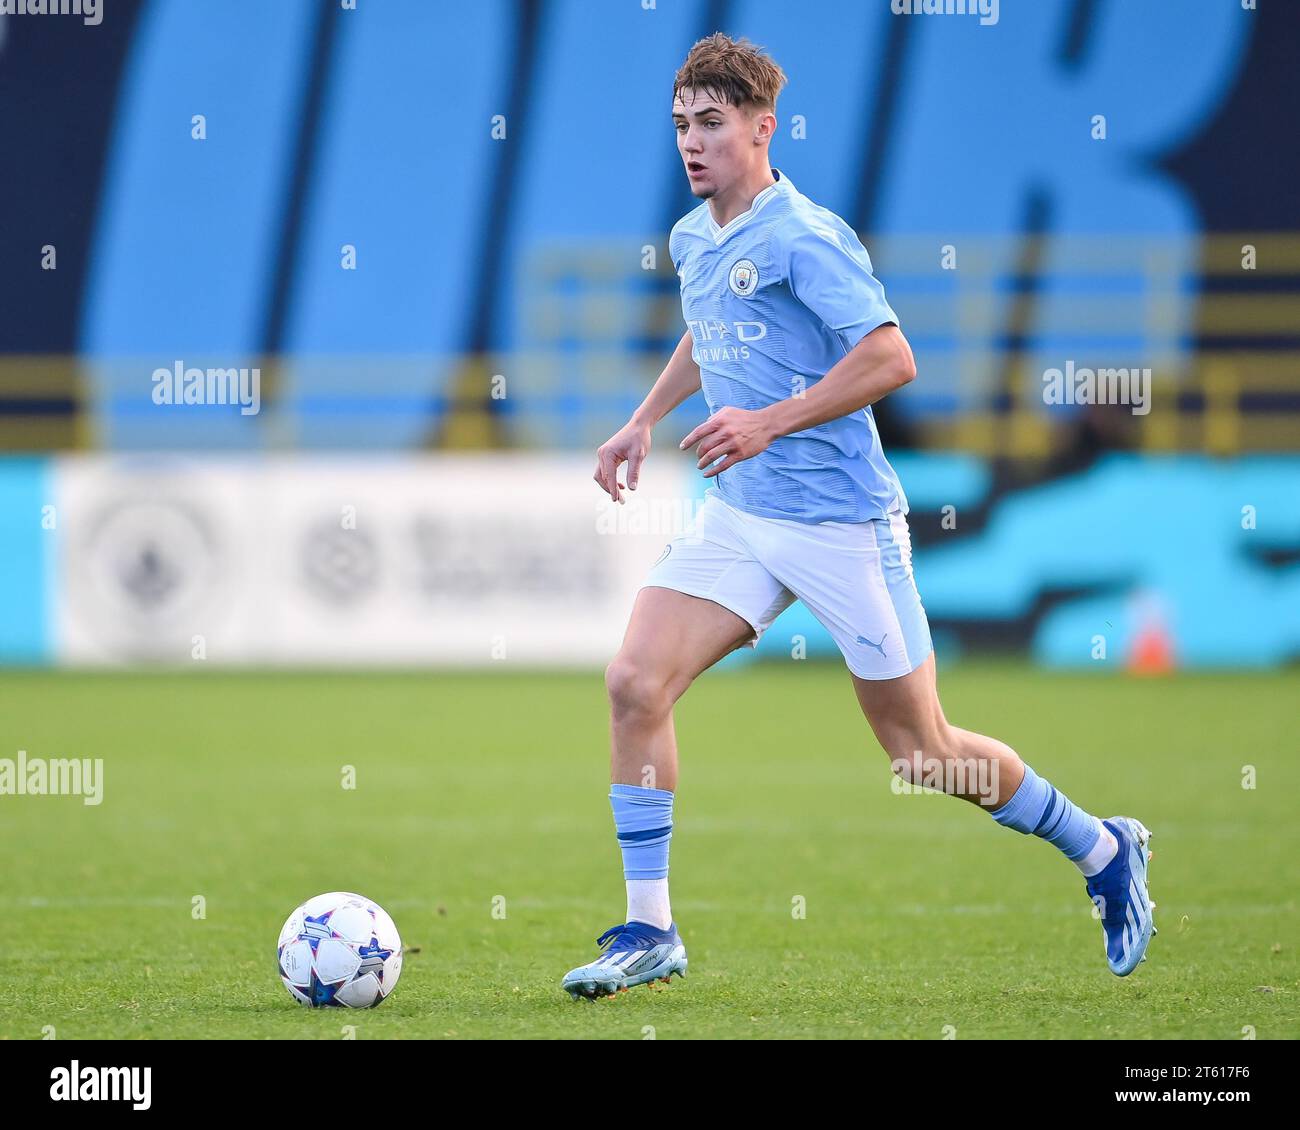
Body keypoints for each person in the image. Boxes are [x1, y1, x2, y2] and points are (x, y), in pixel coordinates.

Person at [563, 33, 1154, 999]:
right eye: (681, 125)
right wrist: (640, 420)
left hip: (842, 524)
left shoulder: (807, 234)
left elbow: (891, 358)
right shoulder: (692, 236)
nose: (692, 142)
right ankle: (649, 929)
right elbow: (710, 334)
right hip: (744, 515)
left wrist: (771, 420)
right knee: (634, 681)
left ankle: (1100, 847)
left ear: (763, 129)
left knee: (924, 754)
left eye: (711, 124)